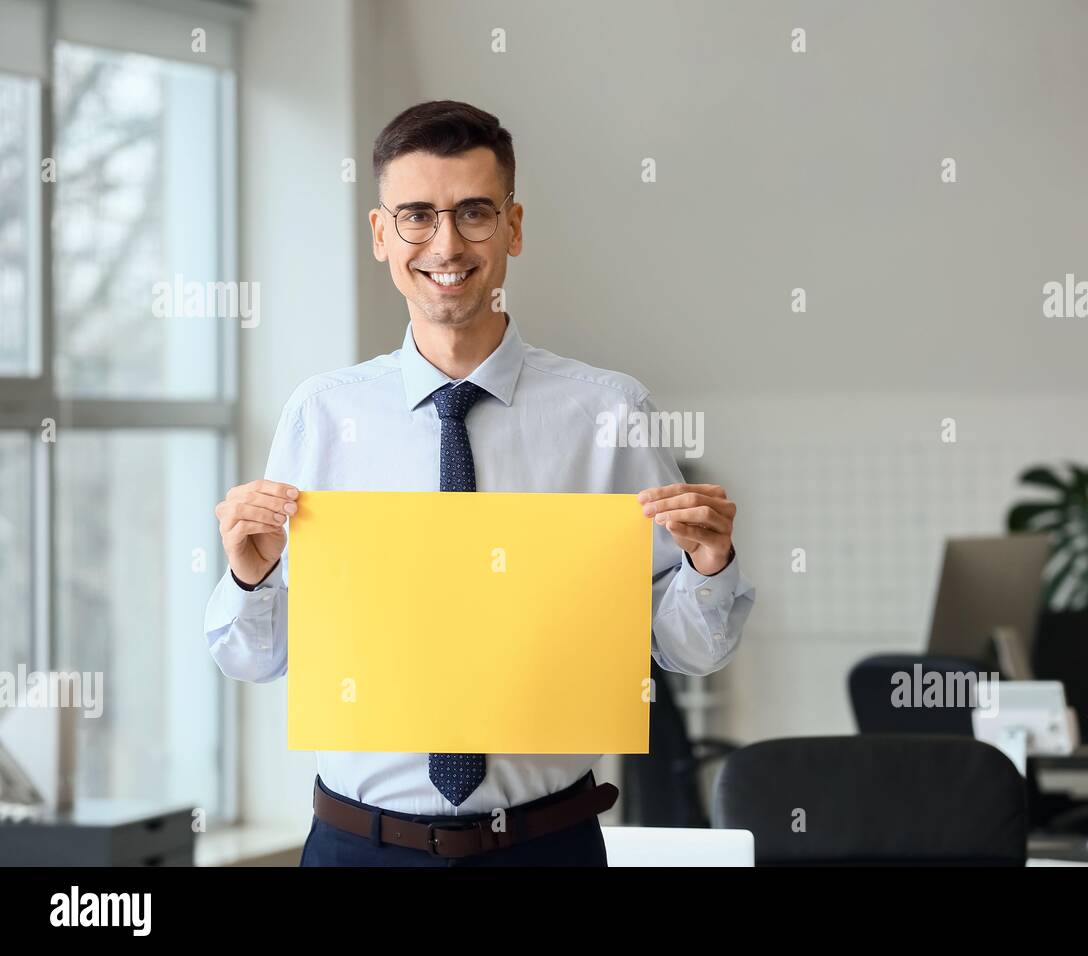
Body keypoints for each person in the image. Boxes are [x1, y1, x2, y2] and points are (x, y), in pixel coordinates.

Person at [203, 101, 756, 866]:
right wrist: (249, 577)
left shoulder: (611, 411)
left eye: (473, 213)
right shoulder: (323, 415)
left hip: (544, 845)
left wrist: (709, 567)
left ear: (514, 227)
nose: (446, 243)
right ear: (380, 234)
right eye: (417, 216)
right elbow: (251, 660)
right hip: (359, 848)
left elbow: (690, 650)